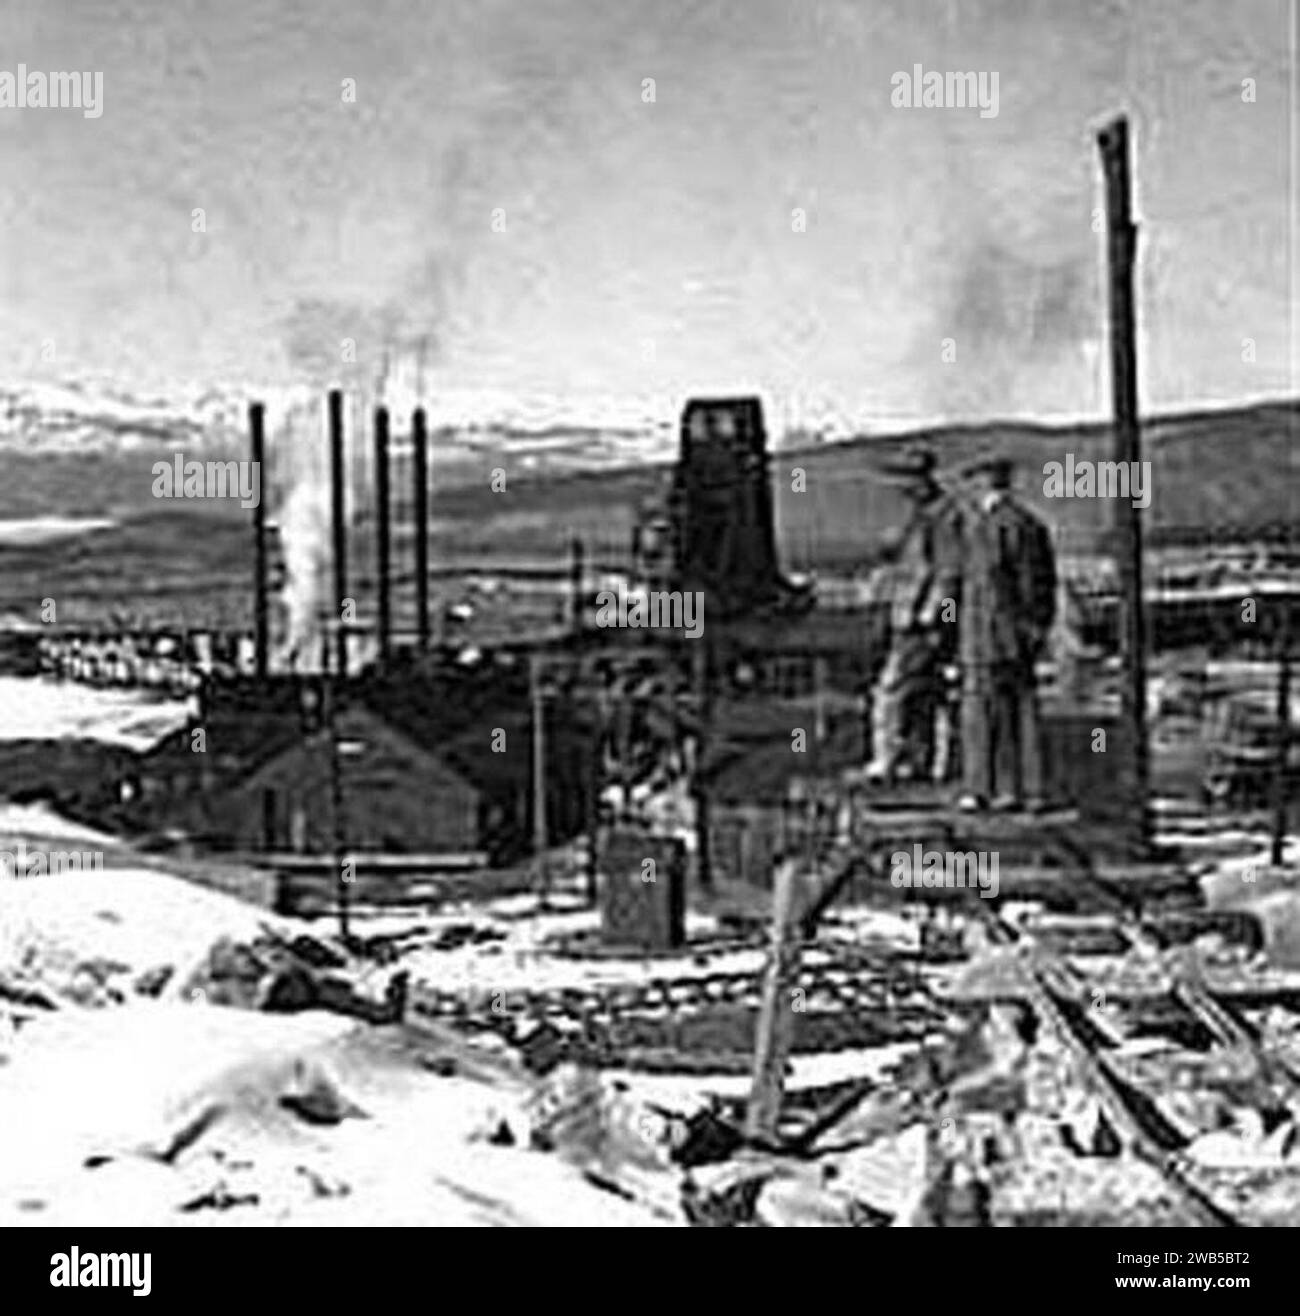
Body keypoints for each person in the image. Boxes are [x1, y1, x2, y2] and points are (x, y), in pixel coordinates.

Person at [956, 456, 1057, 811]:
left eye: (972, 479)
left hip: (995, 638)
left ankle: (992, 790)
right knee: (1015, 714)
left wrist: (1027, 630)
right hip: (1002, 636)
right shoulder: (1019, 523)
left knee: (987, 713)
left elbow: (1029, 586)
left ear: (984, 483)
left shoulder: (1001, 526)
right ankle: (1018, 790)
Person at [865, 449, 965, 785]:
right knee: (922, 694)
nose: (901, 488)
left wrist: (934, 616)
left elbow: (948, 573)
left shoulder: (943, 515)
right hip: (909, 614)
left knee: (892, 690)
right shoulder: (919, 516)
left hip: (921, 621)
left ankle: (887, 760)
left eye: (906, 480)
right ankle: (921, 762)